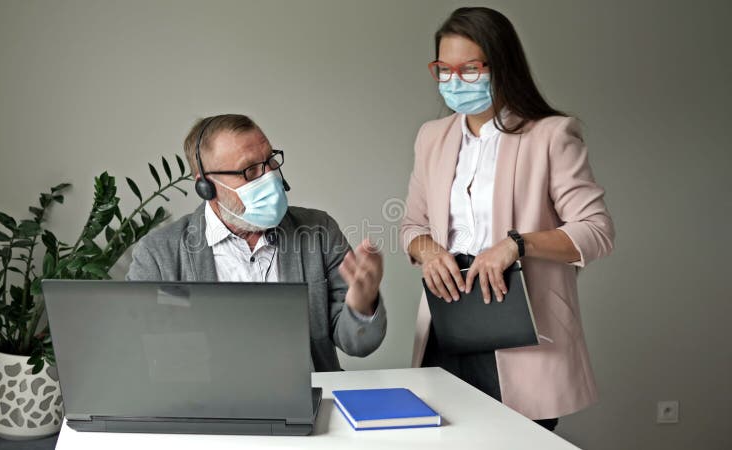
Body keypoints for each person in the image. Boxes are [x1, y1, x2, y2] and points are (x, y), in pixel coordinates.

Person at [400, 7, 615, 431]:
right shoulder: (432, 137)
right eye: (444, 69)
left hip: (521, 330)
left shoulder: (551, 135)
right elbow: (412, 226)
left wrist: (516, 244)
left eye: (469, 68)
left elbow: (596, 230)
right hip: (448, 322)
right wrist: (428, 253)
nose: (454, 80)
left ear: (501, 67)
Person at [127, 114, 387, 371]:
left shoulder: (319, 231)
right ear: (206, 186)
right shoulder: (157, 254)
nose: (269, 177)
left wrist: (361, 304)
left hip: (308, 398)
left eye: (270, 161)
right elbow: (140, 352)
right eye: (250, 170)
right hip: (205, 406)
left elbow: (357, 344)